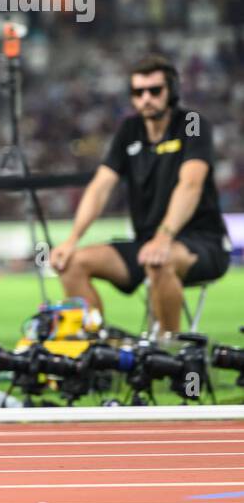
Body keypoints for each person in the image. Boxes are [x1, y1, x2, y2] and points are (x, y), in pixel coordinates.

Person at [50, 55, 230, 337]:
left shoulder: (192, 122)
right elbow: (100, 187)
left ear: (171, 91)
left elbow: (190, 185)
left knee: (158, 260)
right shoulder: (129, 130)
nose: (146, 98)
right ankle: (99, 352)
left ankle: (168, 355)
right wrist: (72, 240)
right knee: (72, 263)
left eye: (155, 91)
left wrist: (165, 235)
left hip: (202, 243)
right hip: (147, 244)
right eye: (138, 92)